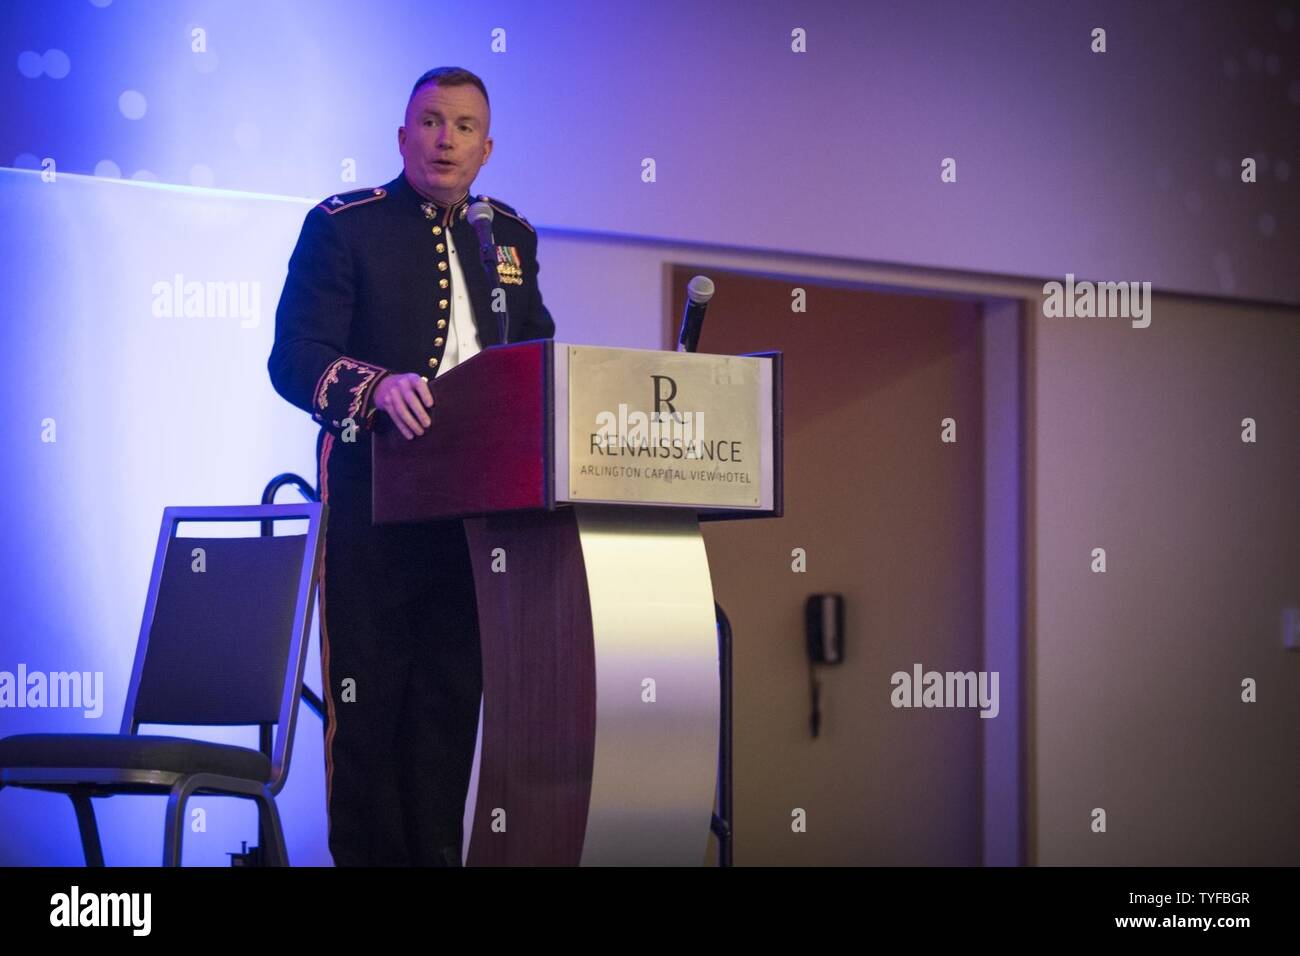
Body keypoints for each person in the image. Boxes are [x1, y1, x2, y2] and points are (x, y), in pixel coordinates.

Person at [268, 66, 556, 866]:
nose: (446, 139)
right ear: (403, 137)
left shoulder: (513, 239)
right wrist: (376, 386)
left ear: (487, 147)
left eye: (464, 126)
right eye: (430, 121)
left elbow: (539, 361)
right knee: (369, 711)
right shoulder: (343, 225)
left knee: (448, 710)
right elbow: (294, 358)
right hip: (372, 508)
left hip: (478, 520)